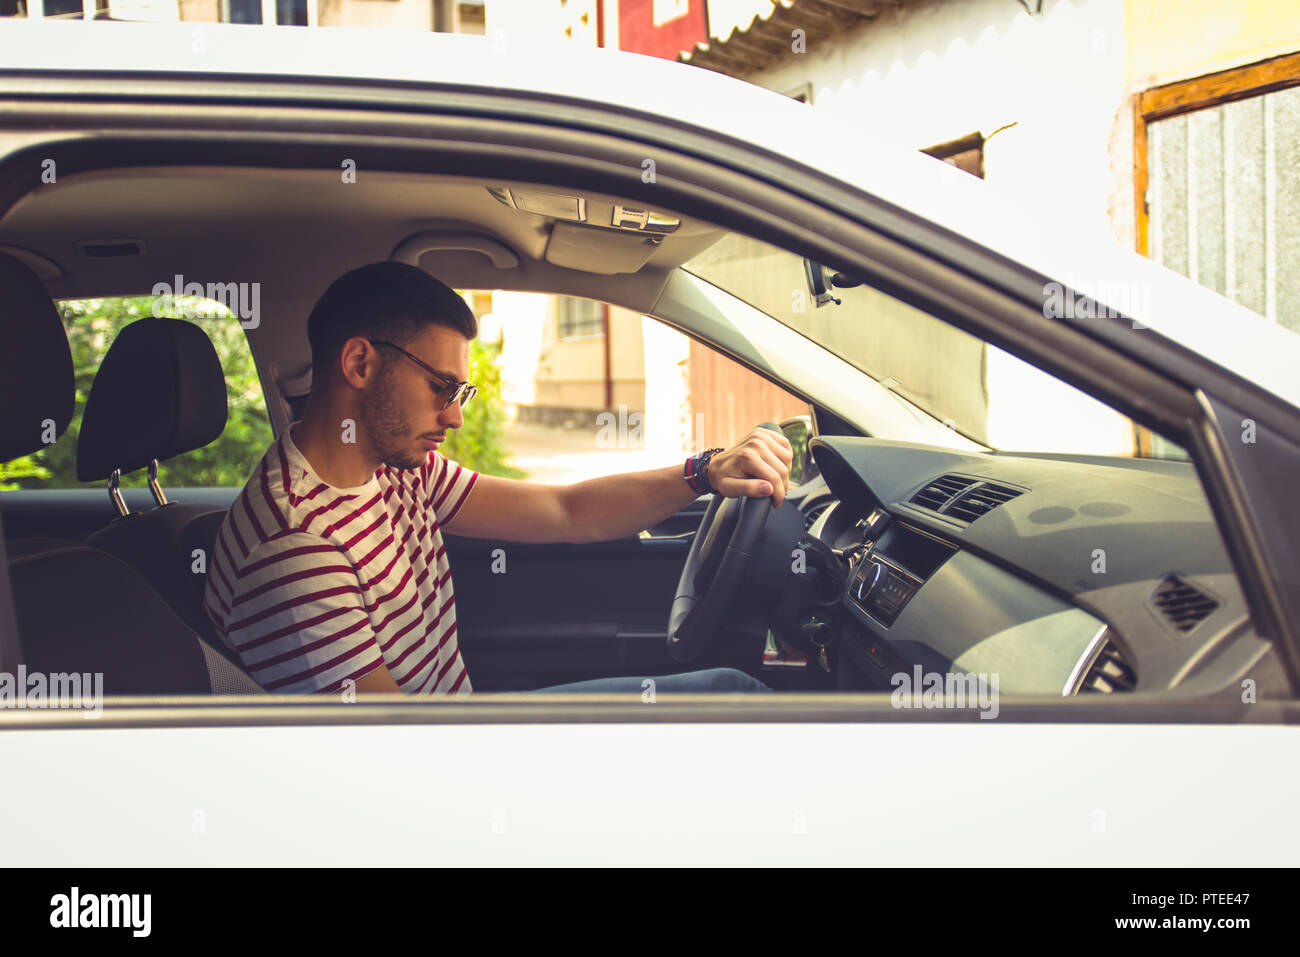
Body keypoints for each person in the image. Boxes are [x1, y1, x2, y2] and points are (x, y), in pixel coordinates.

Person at [203, 262, 791, 696]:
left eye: (459, 393)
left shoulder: (395, 470)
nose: (455, 417)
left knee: (729, 691)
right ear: (359, 364)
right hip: (449, 767)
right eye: (441, 387)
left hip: (463, 731)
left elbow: (567, 512)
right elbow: (394, 756)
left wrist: (703, 471)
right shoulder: (295, 546)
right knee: (736, 698)